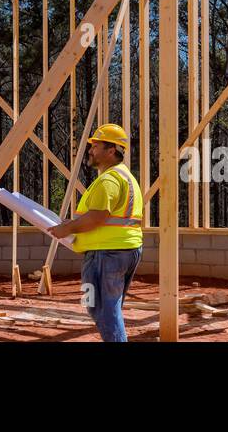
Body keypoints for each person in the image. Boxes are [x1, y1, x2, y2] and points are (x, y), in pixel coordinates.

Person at [48, 123, 143, 342]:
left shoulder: (108, 180)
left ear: (111, 151)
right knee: (106, 306)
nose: (90, 150)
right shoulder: (126, 177)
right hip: (126, 250)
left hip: (107, 253)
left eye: (96, 146)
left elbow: (98, 217)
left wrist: (67, 228)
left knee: (102, 309)